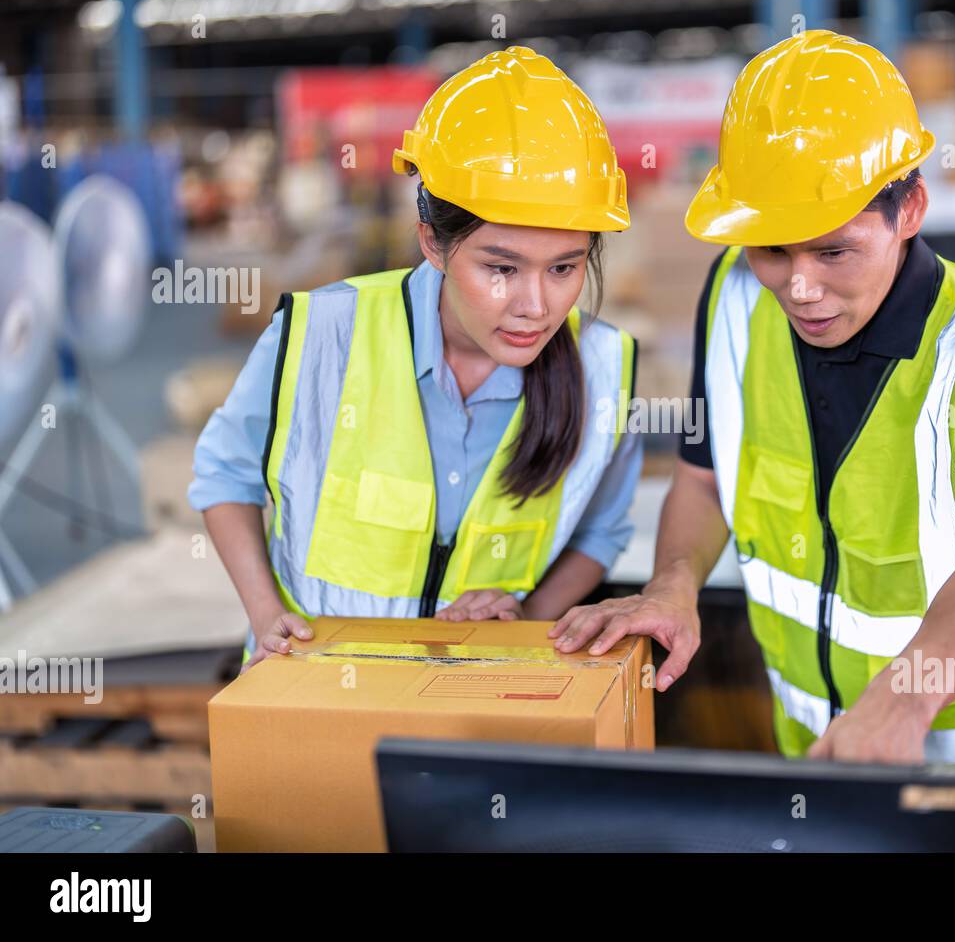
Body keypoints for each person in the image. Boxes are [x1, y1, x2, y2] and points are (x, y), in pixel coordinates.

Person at [550, 30, 955, 850]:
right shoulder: (732, 297)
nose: (800, 287)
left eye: (834, 250)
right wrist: (675, 585)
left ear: (910, 210)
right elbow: (701, 478)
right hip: (811, 763)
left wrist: (903, 702)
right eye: (771, 250)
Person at [189, 46, 642, 669]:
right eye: (501, 268)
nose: (536, 306)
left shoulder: (604, 369)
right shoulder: (322, 334)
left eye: (564, 268)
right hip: (316, 689)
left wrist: (525, 613)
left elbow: (602, 530)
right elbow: (223, 475)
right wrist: (267, 615)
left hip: (479, 701)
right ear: (433, 242)